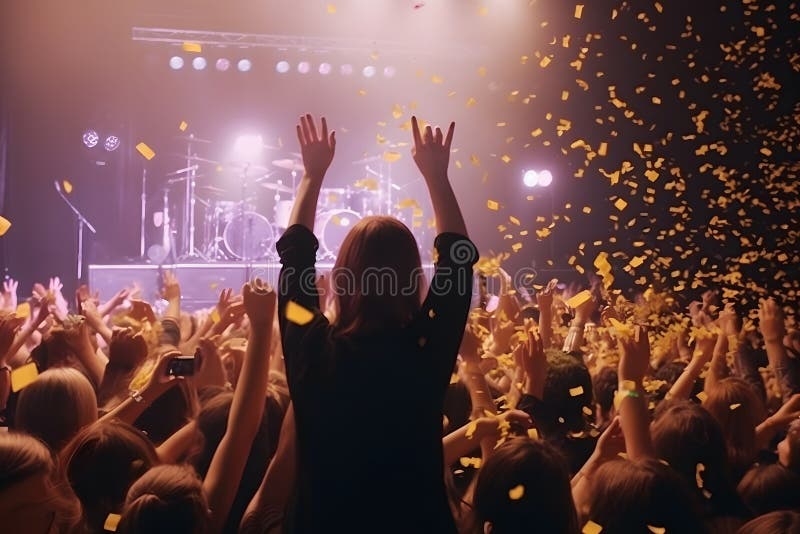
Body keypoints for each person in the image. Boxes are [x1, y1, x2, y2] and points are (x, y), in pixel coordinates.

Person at [276, 114, 477, 532]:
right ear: (412, 280)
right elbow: (457, 264)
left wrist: (312, 176)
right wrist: (437, 177)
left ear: (341, 279)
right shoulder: (426, 347)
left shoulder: (312, 344)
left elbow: (295, 272)